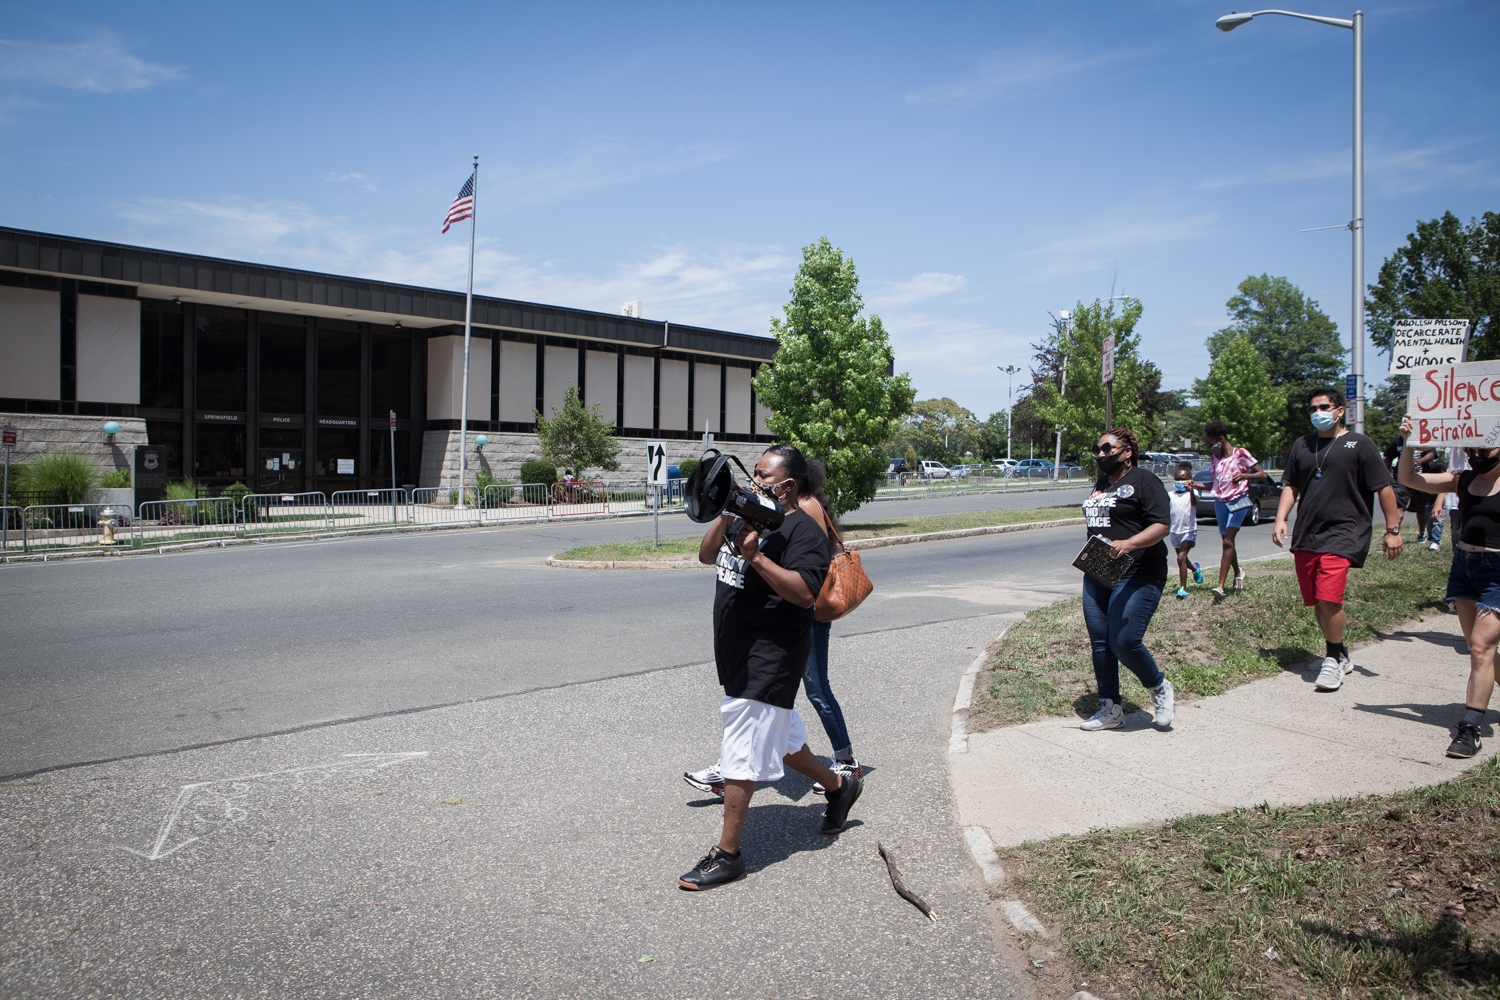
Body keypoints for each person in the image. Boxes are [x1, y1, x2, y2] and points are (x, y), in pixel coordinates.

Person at [678, 444, 863, 890]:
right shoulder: (745, 517)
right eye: (754, 474)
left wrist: (756, 557)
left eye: (762, 476)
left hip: (774, 654)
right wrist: (725, 510)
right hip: (737, 648)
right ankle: (839, 788)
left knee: (742, 745)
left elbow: (804, 594)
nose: (753, 481)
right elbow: (706, 557)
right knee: (783, 741)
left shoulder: (803, 532)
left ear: (788, 486)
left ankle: (728, 855)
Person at [1271, 387, 1403, 693]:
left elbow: (1384, 488)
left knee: (1330, 597)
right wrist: (1280, 519)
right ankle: (1340, 649)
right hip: (1308, 532)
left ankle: (1331, 659)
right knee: (1317, 599)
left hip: (1345, 531)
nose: (1318, 412)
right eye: (1313, 407)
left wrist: (1393, 530)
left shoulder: (1360, 444)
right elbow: (1291, 486)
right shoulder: (1303, 445)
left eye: (1324, 406)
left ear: (1339, 410)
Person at [1396, 416, 1499, 758]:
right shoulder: (1463, 479)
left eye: (1486, 447)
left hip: (1498, 571)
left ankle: (1469, 729)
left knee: (1481, 648)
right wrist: (1409, 442)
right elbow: (1410, 478)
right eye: (1472, 448)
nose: (1478, 453)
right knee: (1478, 647)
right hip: (1465, 568)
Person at [1078, 427, 1176, 731]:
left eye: (1108, 448)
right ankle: (1110, 708)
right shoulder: (1102, 483)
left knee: (1124, 640)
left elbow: (1162, 525)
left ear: (1127, 451)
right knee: (1100, 644)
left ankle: (1158, 686)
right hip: (1100, 570)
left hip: (1139, 570)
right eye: (1098, 450)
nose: (1102, 454)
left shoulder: (1144, 480)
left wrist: (1130, 544)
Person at [798, 460, 861, 791]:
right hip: (795, 610)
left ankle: (847, 761)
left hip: (808, 610)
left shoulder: (807, 506)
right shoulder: (805, 503)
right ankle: (739, 764)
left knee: (817, 689)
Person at [1198, 420, 1269, 601]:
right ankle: (1238, 572)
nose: (1210, 448)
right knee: (1226, 543)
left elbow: (1262, 474)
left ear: (1221, 438)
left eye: (1212, 443)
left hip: (1238, 501)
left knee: (1228, 541)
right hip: (1220, 502)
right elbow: (1212, 484)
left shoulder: (1240, 454)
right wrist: (1194, 484)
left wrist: (1246, 475)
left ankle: (1220, 586)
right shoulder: (1215, 460)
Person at [1168, 461, 1203, 599]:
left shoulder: (1193, 493)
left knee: (1181, 557)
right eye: (1177, 479)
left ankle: (1182, 588)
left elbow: (1194, 503)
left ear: (1190, 481)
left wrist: (1191, 491)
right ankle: (1195, 568)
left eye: (1183, 479)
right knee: (1182, 559)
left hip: (1189, 530)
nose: (1180, 481)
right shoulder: (1170, 495)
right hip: (1175, 531)